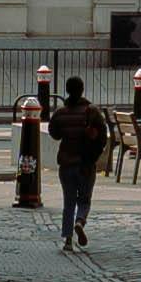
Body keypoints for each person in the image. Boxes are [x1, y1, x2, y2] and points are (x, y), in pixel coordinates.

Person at [50, 73, 109, 248]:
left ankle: (67, 239)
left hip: (66, 163)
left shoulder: (60, 113)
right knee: (84, 199)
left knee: (68, 201)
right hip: (85, 163)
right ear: (82, 90)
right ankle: (80, 221)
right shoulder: (92, 111)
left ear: (67, 91)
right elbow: (102, 136)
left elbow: (54, 134)